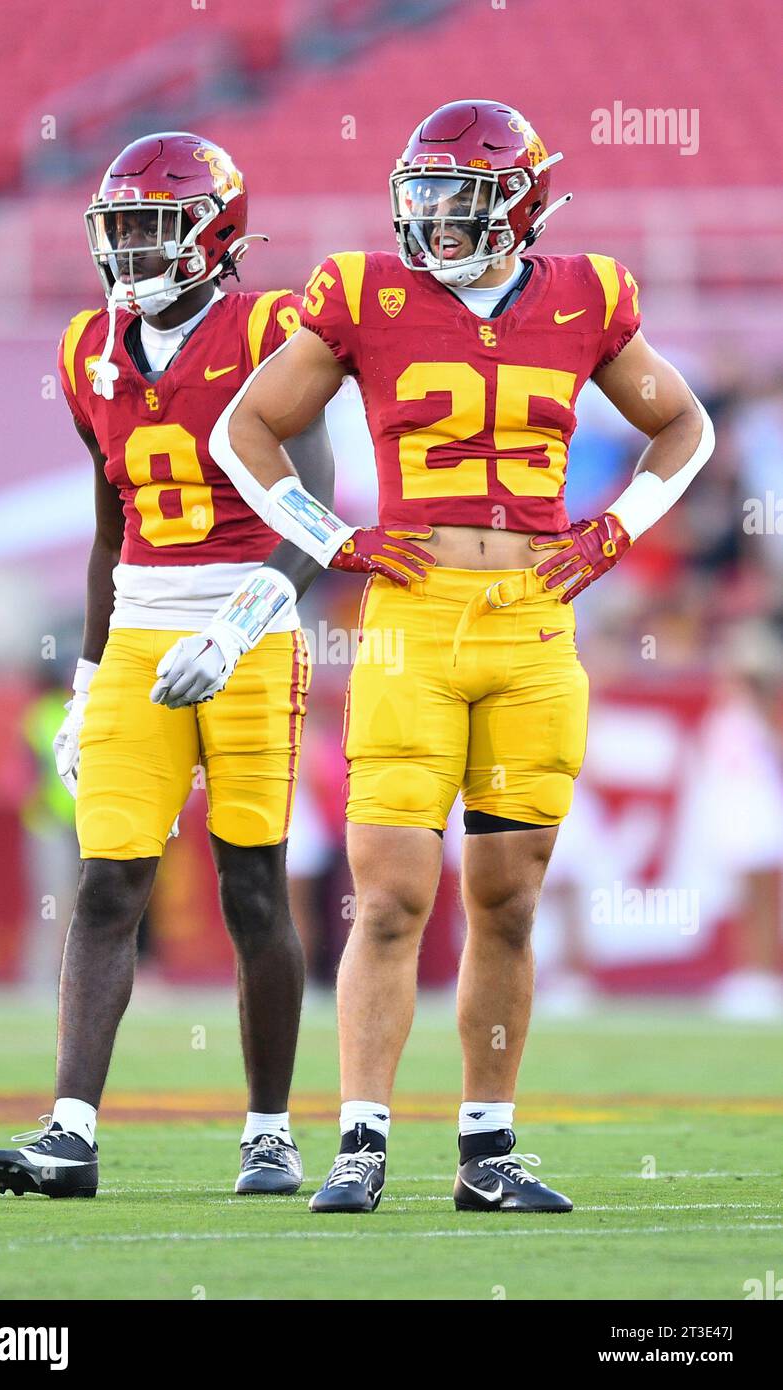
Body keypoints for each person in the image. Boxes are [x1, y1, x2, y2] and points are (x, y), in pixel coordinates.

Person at [165, 101, 714, 1213]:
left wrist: (610, 531)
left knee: (506, 900)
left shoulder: (587, 293)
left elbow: (682, 427)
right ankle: (360, 1142)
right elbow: (242, 428)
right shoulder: (361, 292)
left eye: (453, 195)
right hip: (414, 619)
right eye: (416, 194)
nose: (429, 217)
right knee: (389, 900)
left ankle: (487, 1150)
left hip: (531, 624)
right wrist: (334, 536)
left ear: (517, 198)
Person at [0, 131, 423, 1201]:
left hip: (253, 628)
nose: (130, 248)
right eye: (119, 228)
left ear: (212, 232)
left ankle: (267, 1129)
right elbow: (105, 526)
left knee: (251, 891)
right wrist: (88, 679)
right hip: (138, 628)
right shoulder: (88, 345)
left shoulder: (273, 327)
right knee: (107, 884)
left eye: (151, 226)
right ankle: (70, 1132)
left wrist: (230, 629)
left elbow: (314, 512)